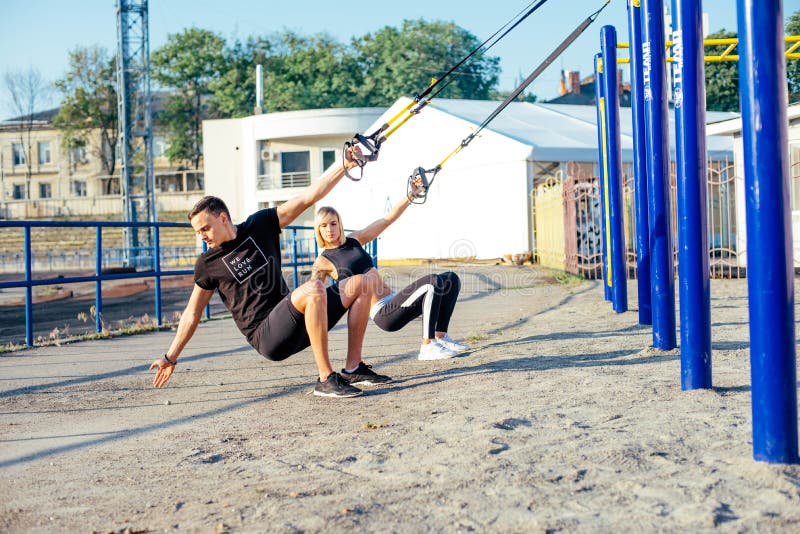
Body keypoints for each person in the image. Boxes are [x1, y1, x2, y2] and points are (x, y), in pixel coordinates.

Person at [149, 147, 391, 398]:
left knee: (361, 283)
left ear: (223, 218)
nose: (202, 236)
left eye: (205, 228)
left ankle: (353, 368)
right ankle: (325, 379)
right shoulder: (207, 263)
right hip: (267, 336)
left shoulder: (260, 224)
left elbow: (307, 197)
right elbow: (193, 311)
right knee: (314, 288)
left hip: (295, 319)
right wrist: (170, 356)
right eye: (198, 232)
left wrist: (344, 166)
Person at [312, 181, 469, 361]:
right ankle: (428, 346)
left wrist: (411, 195)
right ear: (318, 230)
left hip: (395, 300)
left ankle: (440, 337)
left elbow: (387, 220)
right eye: (323, 226)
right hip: (383, 313)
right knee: (432, 281)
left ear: (339, 224)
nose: (329, 229)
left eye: (333, 223)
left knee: (450, 278)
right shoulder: (322, 261)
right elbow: (312, 296)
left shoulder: (354, 239)